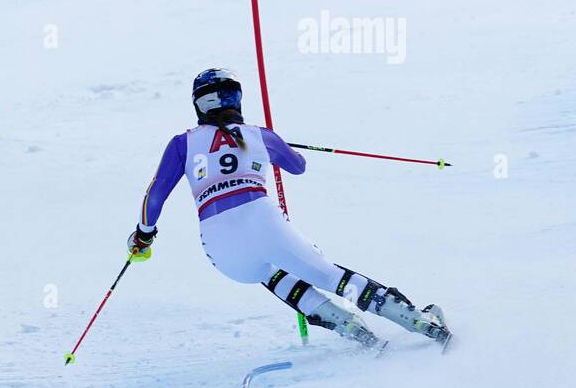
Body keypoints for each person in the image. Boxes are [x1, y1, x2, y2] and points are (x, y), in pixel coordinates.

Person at [129, 68, 451, 350]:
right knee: (328, 276)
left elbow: (155, 195)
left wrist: (144, 237)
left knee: (270, 273)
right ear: (235, 100)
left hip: (219, 246)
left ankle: (348, 326)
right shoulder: (258, 134)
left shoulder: (181, 142)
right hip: (261, 217)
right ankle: (418, 321)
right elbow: (297, 167)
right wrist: (276, 145)